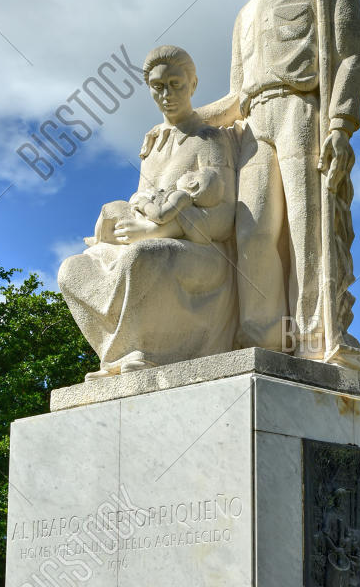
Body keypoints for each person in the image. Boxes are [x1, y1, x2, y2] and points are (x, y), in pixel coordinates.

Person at [197, 0, 360, 361]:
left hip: (302, 108)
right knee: (252, 232)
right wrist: (184, 120)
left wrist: (339, 123)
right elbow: (234, 94)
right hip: (254, 122)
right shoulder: (245, 12)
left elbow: (349, 58)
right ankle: (262, 337)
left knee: (307, 226)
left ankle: (315, 335)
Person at [58, 45, 238, 376]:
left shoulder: (208, 138)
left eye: (175, 84)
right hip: (144, 243)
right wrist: (114, 216)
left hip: (202, 254)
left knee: (142, 257)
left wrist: (158, 231)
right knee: (72, 270)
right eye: (158, 86)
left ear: (193, 85)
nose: (166, 94)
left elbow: (224, 221)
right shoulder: (152, 145)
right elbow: (144, 202)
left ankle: (142, 351)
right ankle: (119, 356)